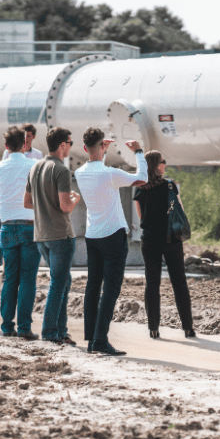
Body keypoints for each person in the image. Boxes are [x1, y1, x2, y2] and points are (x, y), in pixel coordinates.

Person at [75, 129, 147, 356]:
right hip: (113, 235)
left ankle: (91, 338)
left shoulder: (80, 172)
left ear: (85, 148)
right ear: (103, 147)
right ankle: (100, 339)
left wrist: (101, 151)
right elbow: (142, 178)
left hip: (93, 235)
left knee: (93, 287)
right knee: (111, 289)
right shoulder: (110, 174)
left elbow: (96, 163)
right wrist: (139, 152)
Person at [24, 127, 81, 345]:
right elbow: (66, 206)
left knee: (63, 281)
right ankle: (50, 331)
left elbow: (27, 202)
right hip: (61, 234)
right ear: (62, 145)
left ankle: (61, 330)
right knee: (59, 283)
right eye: (70, 142)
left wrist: (45, 205)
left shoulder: (36, 167)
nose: (70, 147)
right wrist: (76, 198)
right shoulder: (61, 170)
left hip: (41, 235)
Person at [133, 151, 194, 339]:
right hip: (172, 240)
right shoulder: (169, 186)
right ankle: (188, 328)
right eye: (163, 162)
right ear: (156, 166)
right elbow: (179, 211)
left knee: (152, 283)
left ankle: (153, 328)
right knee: (179, 282)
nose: (165, 164)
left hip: (150, 240)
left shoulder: (140, 189)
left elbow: (141, 216)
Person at [0, 126, 40, 340]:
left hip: (7, 225)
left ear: (5, 146)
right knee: (28, 279)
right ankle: (24, 326)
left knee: (10, 278)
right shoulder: (34, 164)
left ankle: (6, 326)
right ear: (25, 144)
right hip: (29, 224)